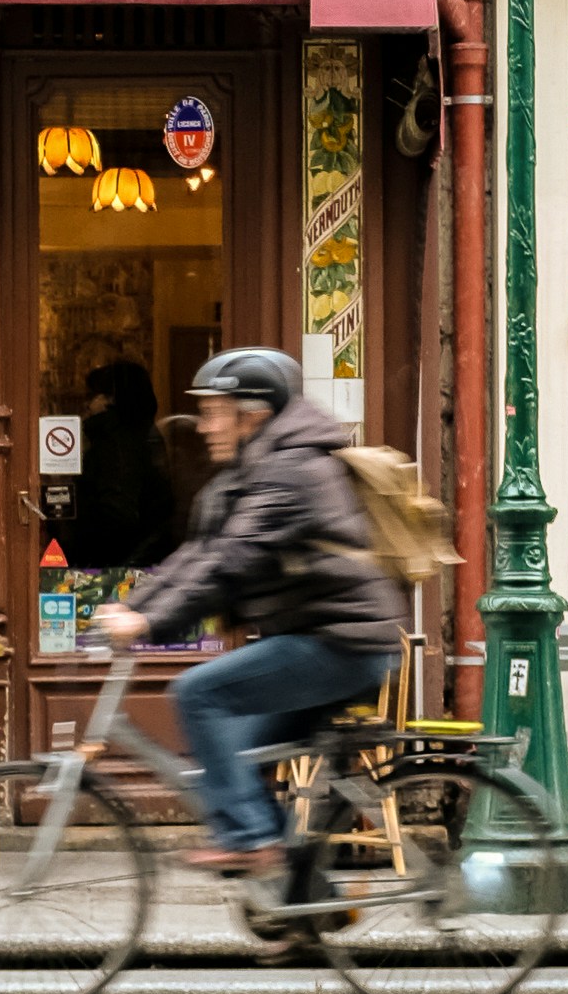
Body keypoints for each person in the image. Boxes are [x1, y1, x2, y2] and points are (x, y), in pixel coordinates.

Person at [94, 346, 405, 896]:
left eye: (214, 411)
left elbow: (231, 560)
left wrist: (147, 624)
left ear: (253, 411)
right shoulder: (257, 467)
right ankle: (311, 906)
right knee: (235, 760)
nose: (202, 425)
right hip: (326, 640)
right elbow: (199, 554)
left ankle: (247, 838)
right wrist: (138, 606)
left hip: (340, 645)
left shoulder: (289, 469)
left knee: (199, 694)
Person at [64, 351, 183, 576]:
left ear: (109, 399)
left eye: (92, 395)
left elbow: (117, 513)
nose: (87, 403)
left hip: (113, 567)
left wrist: (80, 544)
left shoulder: (115, 441)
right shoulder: (142, 434)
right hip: (136, 561)